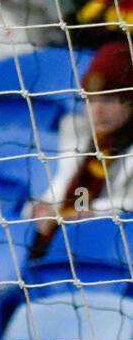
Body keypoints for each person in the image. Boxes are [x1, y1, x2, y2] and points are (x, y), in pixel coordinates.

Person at [28, 40, 133, 258]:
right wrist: (43, 209)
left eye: (108, 99)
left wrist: (92, 212)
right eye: (90, 100)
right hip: (71, 246)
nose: (97, 111)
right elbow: (61, 184)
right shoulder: (80, 134)